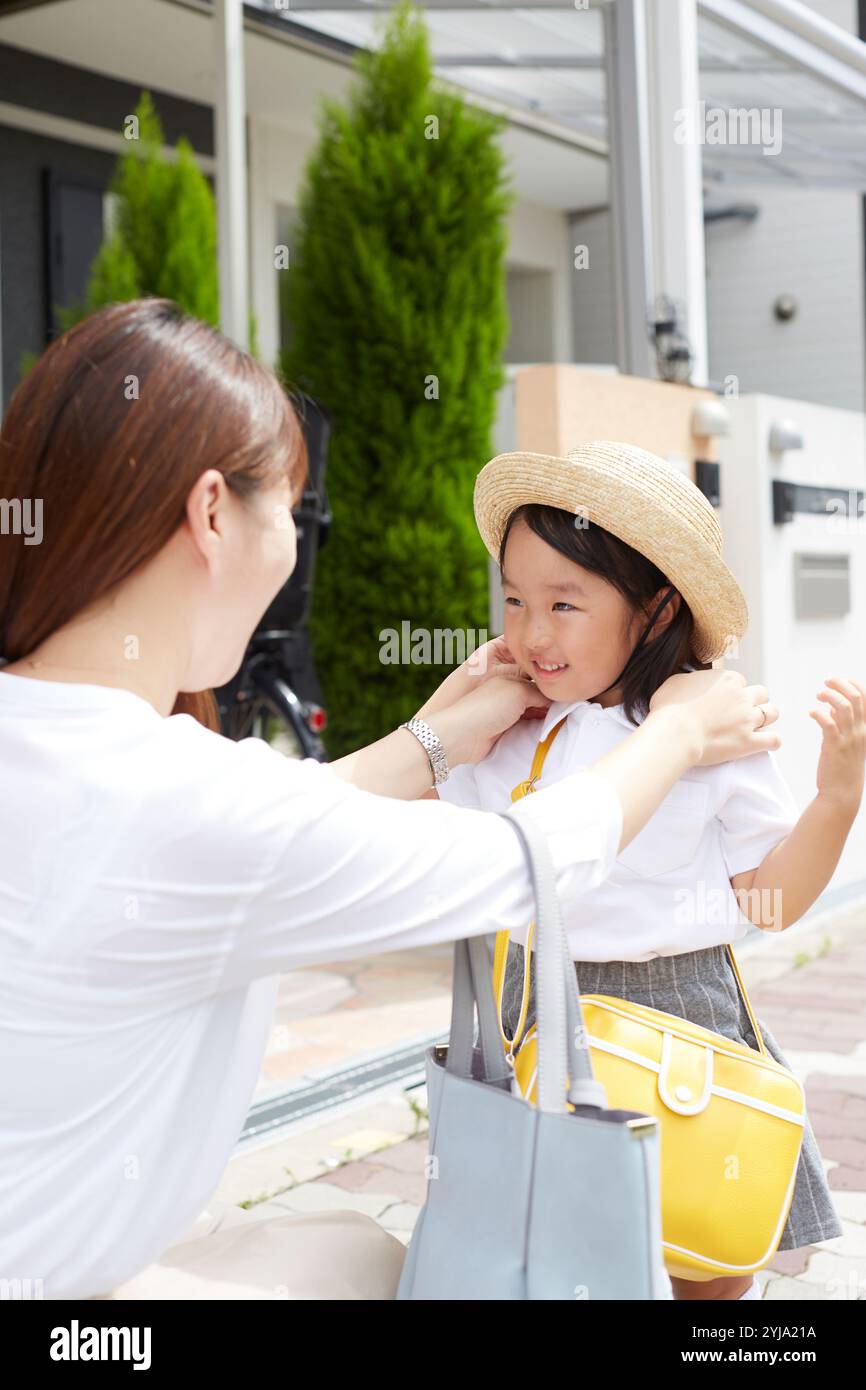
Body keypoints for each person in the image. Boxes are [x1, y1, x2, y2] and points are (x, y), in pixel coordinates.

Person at [0, 300, 781, 1301]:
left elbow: (271, 831)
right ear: (209, 514)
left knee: (354, 1250)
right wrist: (678, 733)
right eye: (288, 507)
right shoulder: (180, 796)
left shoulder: (75, 747)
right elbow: (519, 867)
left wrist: (435, 736)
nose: (295, 541)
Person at [431, 439, 864, 1301]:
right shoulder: (515, 725)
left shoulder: (709, 726)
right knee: (562, 1257)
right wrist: (452, 707)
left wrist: (835, 800)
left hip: (682, 1015)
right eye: (515, 600)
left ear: (658, 610)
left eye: (565, 603)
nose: (531, 631)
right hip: (539, 1012)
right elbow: (432, 845)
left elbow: (767, 902)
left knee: (704, 1253)